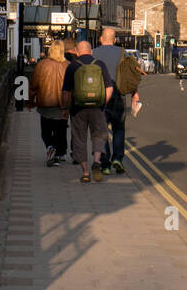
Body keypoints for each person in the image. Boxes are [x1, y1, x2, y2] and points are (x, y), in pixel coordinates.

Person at [62, 39, 114, 183]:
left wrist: (65, 108)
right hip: (97, 107)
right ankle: (96, 162)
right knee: (99, 135)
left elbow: (66, 92)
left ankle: (85, 172)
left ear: (77, 52)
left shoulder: (72, 66)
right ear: (91, 52)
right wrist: (103, 103)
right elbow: (109, 88)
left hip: (78, 109)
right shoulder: (100, 64)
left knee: (79, 139)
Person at [91, 27, 128, 176]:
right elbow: (129, 76)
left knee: (101, 130)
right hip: (118, 95)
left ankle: (105, 164)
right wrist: (135, 94)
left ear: (101, 39)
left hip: (100, 96)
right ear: (115, 40)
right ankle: (117, 158)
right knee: (118, 128)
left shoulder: (93, 53)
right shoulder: (122, 53)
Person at [29, 41, 68, 166]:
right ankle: (57, 156)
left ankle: (50, 147)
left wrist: (30, 101)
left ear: (50, 50)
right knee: (60, 131)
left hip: (45, 103)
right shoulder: (68, 65)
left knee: (45, 131)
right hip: (63, 104)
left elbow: (34, 85)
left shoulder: (42, 64)